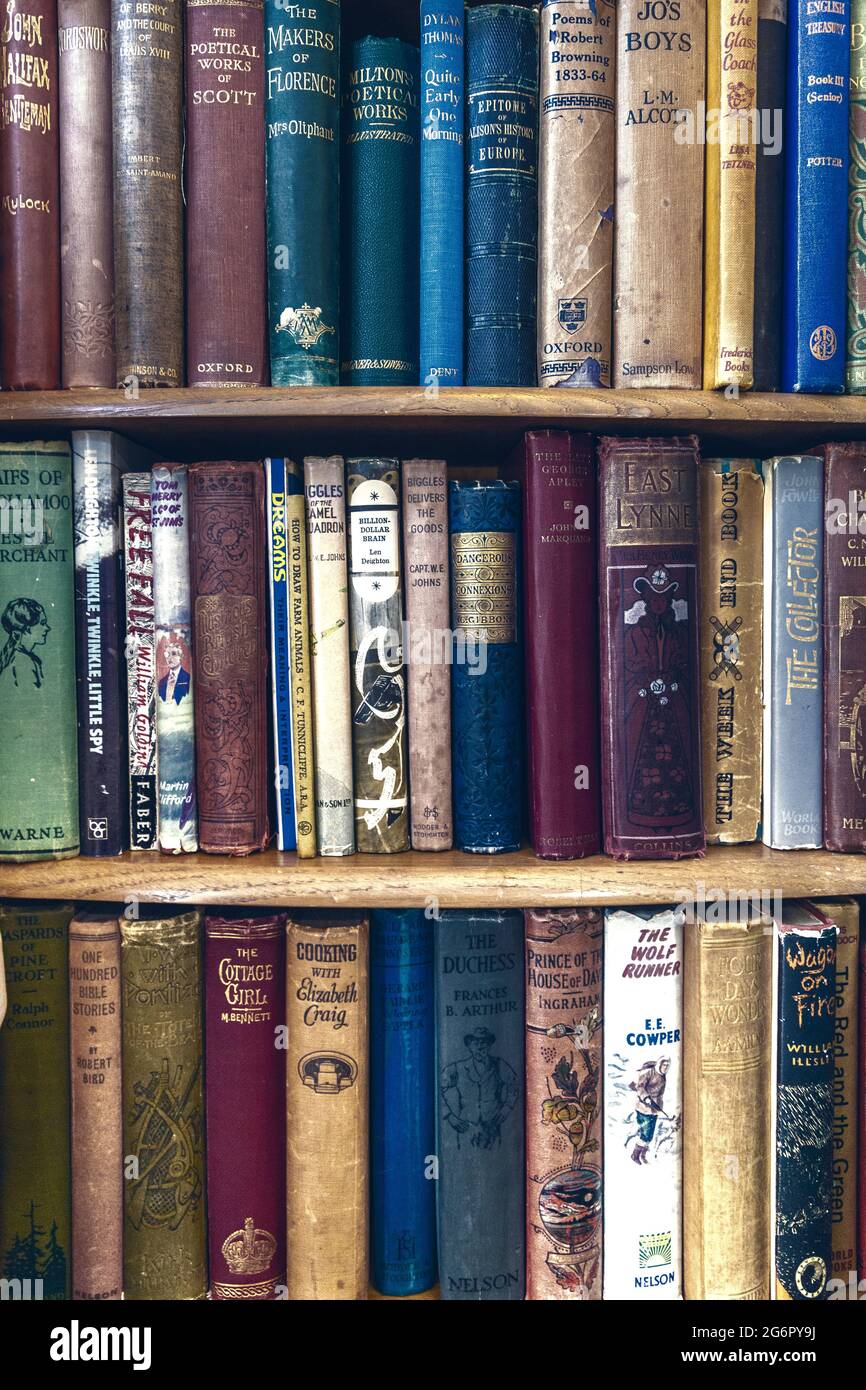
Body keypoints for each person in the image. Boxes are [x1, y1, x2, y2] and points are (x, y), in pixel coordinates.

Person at [440, 1027, 519, 1149]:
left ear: (489, 1045)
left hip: (492, 1126)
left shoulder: (498, 1064)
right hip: (466, 1126)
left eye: (484, 1042)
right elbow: (436, 1090)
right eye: (476, 1042)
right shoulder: (457, 1067)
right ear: (469, 1046)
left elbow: (514, 1083)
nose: (480, 1046)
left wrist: (507, 1107)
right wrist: (449, 1117)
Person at [0, 597, 50, 689]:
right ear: (27, 629)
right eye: (42, 623)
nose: (47, 628)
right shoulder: (24, 661)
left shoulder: (17, 656)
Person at [629, 1057, 670, 1165]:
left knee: (649, 1135)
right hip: (644, 1108)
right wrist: (646, 1098)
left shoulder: (663, 1075)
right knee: (646, 1134)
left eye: (667, 1065)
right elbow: (640, 1087)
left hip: (654, 1109)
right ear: (659, 1065)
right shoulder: (649, 1073)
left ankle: (642, 1154)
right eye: (664, 1065)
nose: (665, 1067)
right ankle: (635, 1155)